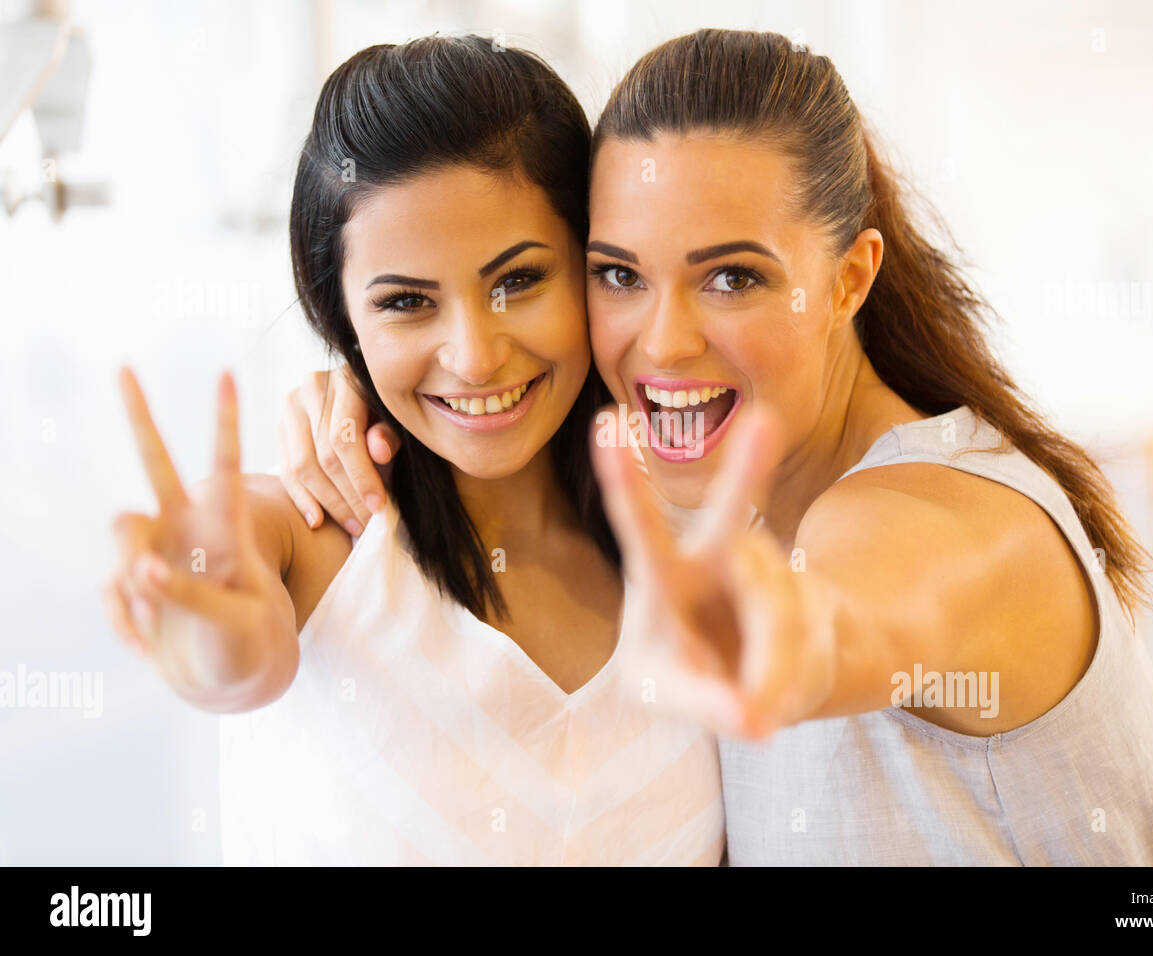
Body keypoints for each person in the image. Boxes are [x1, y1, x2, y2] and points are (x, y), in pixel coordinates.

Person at [291, 29, 1153, 865]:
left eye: (731, 277)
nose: (664, 342)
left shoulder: (946, 516)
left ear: (849, 278)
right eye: (619, 275)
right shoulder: (714, 489)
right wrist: (365, 387)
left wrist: (788, 644)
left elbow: (856, 617)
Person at [102, 35, 723, 866]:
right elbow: (237, 652)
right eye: (405, 302)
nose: (473, 355)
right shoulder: (307, 533)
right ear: (343, 320)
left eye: (518, 281)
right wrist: (202, 618)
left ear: (594, 264)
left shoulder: (695, 539)